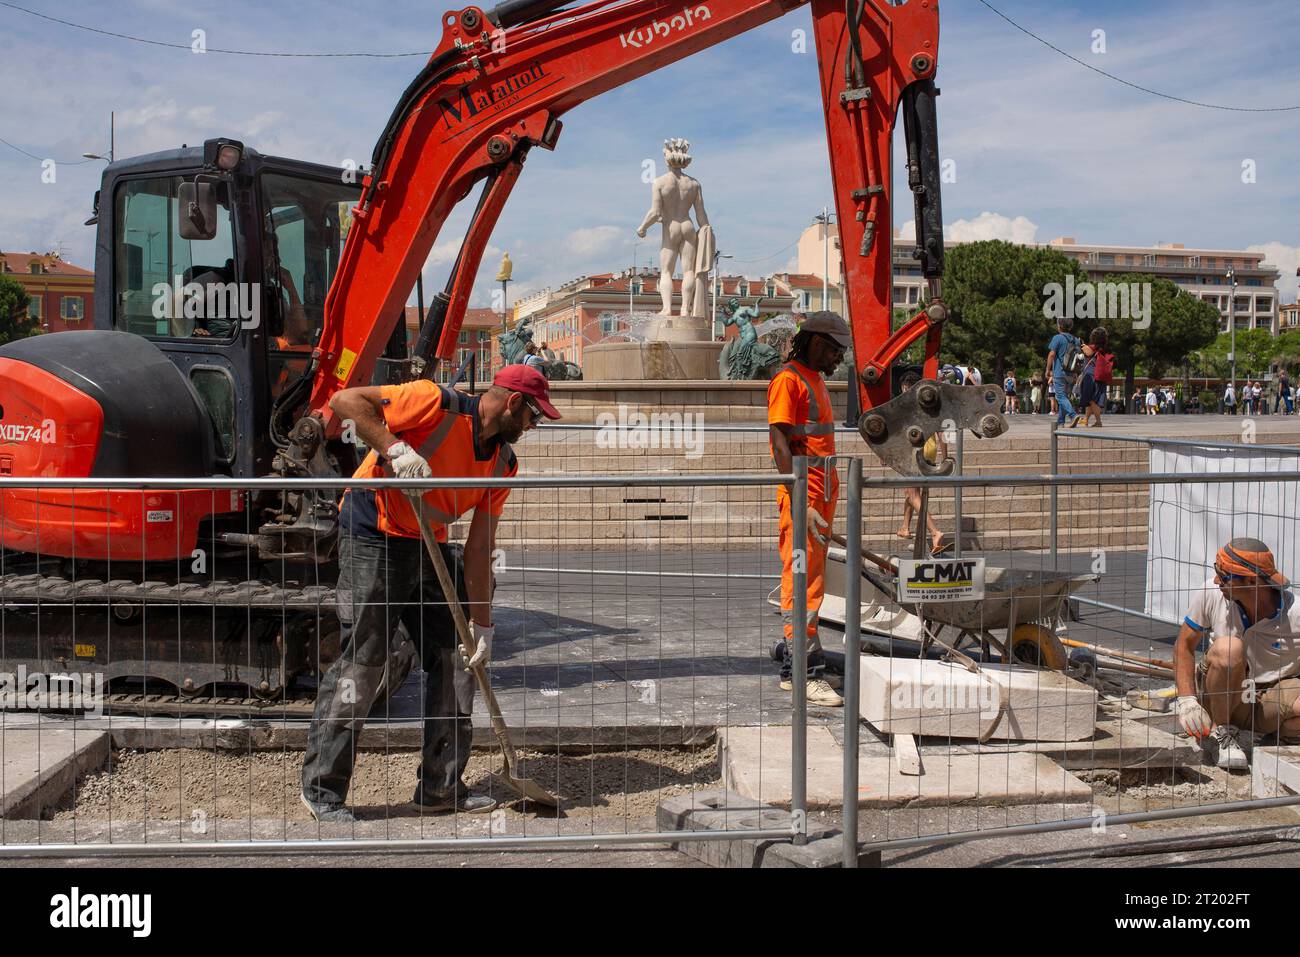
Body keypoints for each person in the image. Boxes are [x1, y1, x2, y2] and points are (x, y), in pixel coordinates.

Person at [301, 365, 560, 821]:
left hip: (429, 539)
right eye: (534, 417)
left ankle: (441, 787)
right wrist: (395, 448)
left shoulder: (502, 462)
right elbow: (345, 402)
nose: (533, 428)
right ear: (514, 403)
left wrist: (482, 627)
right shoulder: (433, 403)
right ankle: (322, 789)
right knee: (365, 662)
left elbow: (480, 547)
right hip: (374, 531)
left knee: (457, 660)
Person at [767, 312, 850, 708]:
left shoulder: (814, 379)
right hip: (804, 500)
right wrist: (801, 500)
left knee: (812, 581)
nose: (839, 360)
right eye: (836, 351)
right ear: (817, 342)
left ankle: (800, 664)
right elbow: (780, 444)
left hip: (819, 497)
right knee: (801, 582)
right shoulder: (789, 380)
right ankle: (803, 674)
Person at [1173, 538, 1300, 769]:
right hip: (1223, 694)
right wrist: (1187, 700)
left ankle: (1280, 736)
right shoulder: (1212, 593)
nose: (1216, 580)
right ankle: (1223, 734)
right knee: (1229, 649)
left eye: (1225, 576)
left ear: (1251, 581)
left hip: (1269, 697)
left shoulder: (1296, 614)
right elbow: (1184, 645)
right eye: (1217, 571)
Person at [1072, 327, 1111, 428]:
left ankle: (1098, 421)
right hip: (1099, 376)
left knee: (1091, 400)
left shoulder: (1091, 347)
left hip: (1090, 376)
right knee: (1090, 400)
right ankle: (1086, 420)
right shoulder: (1103, 348)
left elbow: (1086, 352)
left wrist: (1081, 344)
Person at [1045, 316, 1079, 427]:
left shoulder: (1057, 338)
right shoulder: (1075, 340)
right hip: (1071, 373)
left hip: (1059, 372)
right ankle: (1061, 422)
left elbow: (1051, 354)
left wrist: (1048, 370)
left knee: (1060, 397)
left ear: (1059, 326)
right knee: (1065, 397)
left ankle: (1073, 415)